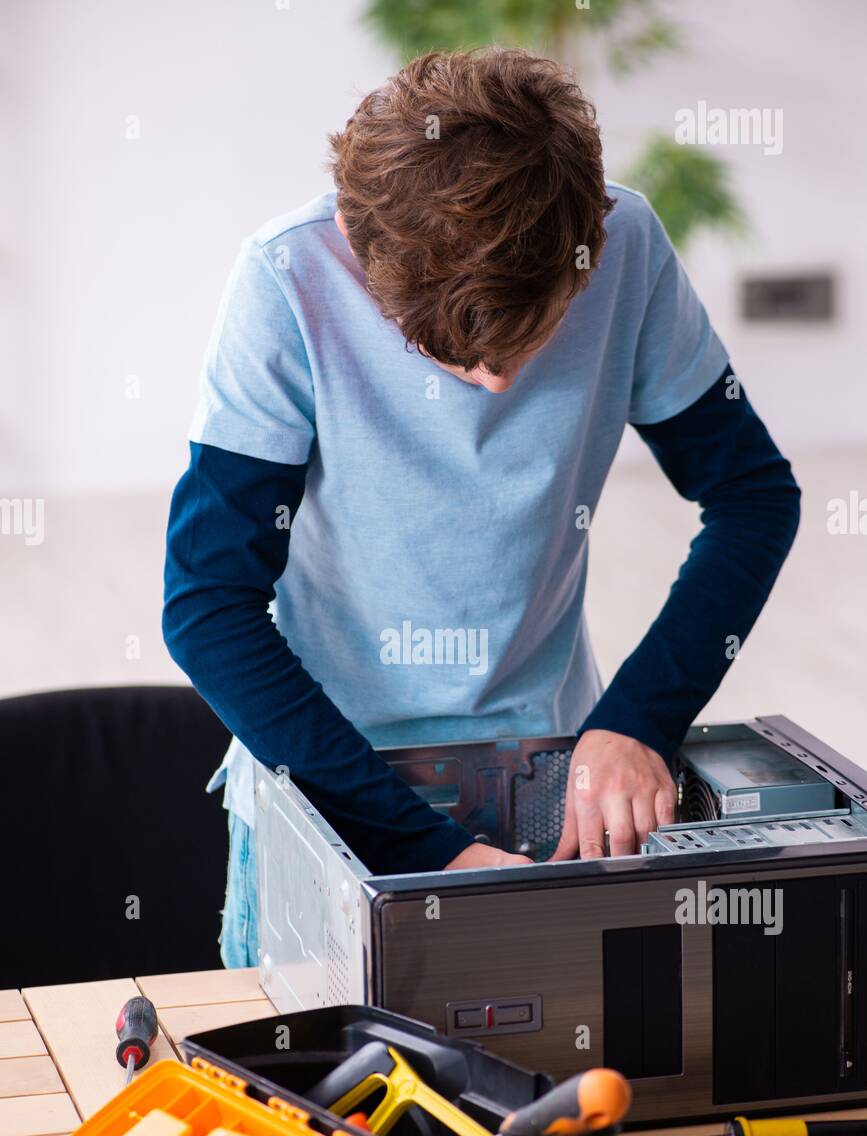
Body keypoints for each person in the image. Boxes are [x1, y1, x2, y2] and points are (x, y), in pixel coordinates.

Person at [163, 49, 800, 968]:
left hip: (549, 762)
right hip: (323, 781)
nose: (494, 381)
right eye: (446, 354)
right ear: (363, 252)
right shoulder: (286, 279)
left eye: (525, 338)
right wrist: (429, 854)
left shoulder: (627, 248)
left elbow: (751, 495)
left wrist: (636, 719)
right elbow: (207, 608)